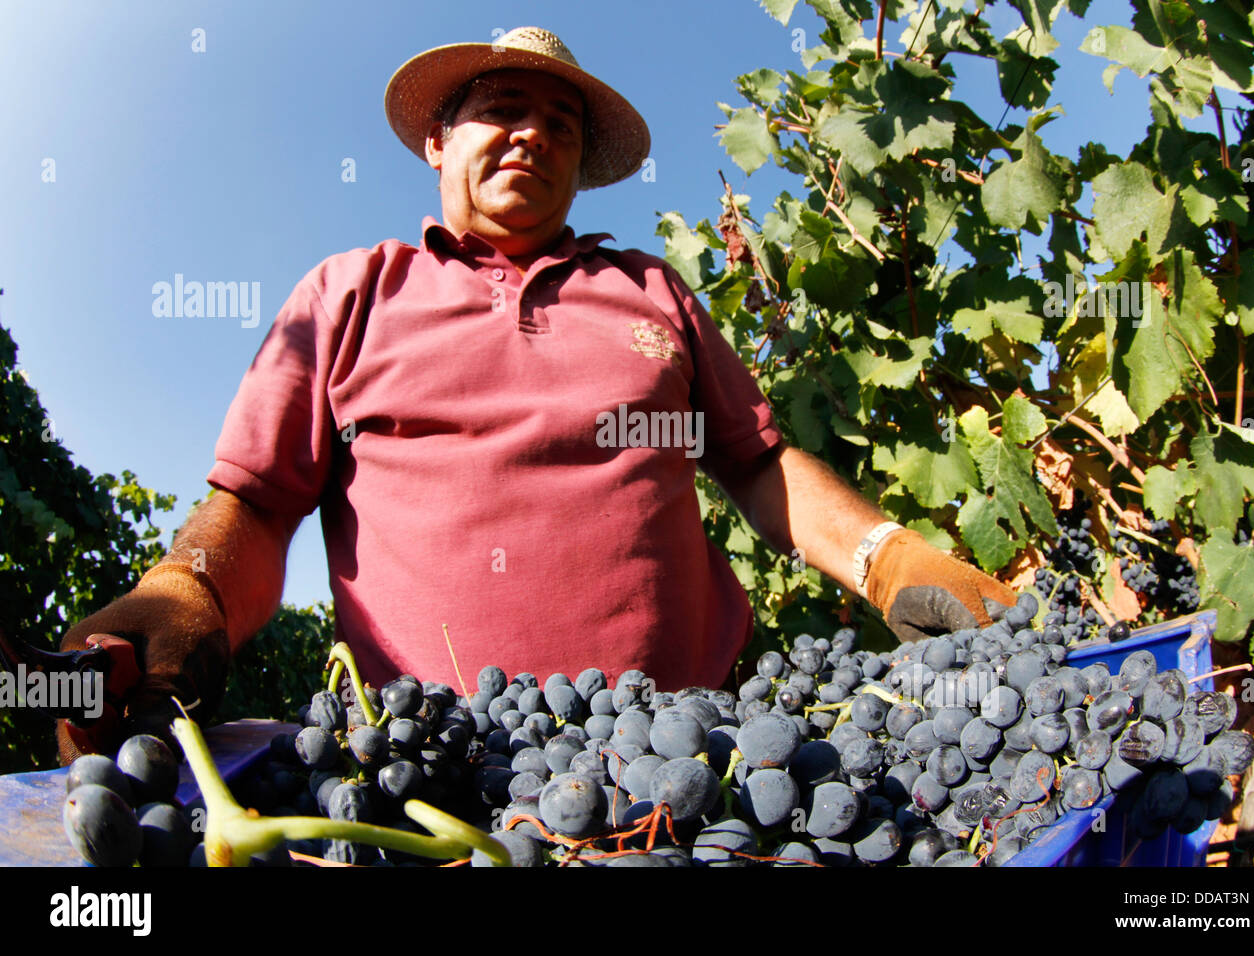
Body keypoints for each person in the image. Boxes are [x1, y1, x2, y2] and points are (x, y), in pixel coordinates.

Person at [57, 27, 1015, 762]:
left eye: (562, 125)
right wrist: (186, 585)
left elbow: (758, 465)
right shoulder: (349, 293)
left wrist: (889, 556)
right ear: (437, 140)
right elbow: (260, 505)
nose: (535, 136)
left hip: (691, 757)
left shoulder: (652, 291)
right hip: (433, 769)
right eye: (504, 109)